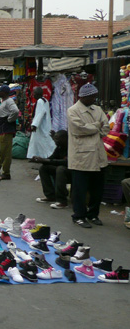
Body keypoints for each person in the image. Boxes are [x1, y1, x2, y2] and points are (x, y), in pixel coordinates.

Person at [67, 83, 109, 228]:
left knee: (97, 188)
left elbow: (106, 126)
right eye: (91, 97)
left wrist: (95, 128)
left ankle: (93, 214)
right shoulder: (73, 111)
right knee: (80, 189)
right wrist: (96, 127)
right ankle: (79, 216)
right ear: (83, 97)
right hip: (81, 156)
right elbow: (79, 129)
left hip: (98, 155)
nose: (94, 99)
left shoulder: (97, 109)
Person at [33, 130, 70, 209]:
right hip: (63, 170)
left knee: (60, 169)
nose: (55, 141)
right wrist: (41, 160)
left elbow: (66, 162)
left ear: (64, 139)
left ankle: (62, 201)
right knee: (44, 168)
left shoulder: (70, 148)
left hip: (71, 172)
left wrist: (48, 161)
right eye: (54, 139)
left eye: (57, 139)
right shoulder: (59, 147)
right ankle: (50, 195)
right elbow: (52, 158)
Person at [0, 86, 19, 180]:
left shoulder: (9, 101)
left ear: (4, 92)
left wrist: (9, 120)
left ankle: (6, 172)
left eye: (0, 92)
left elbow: (15, 111)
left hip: (6, 129)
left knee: (5, 152)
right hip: (2, 129)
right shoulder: (4, 102)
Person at [27, 87, 56, 159]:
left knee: (43, 141)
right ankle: (36, 156)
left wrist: (34, 125)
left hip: (40, 125)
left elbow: (40, 113)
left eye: (34, 94)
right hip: (44, 124)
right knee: (39, 141)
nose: (33, 95)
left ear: (37, 94)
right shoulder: (45, 100)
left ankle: (46, 155)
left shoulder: (40, 101)